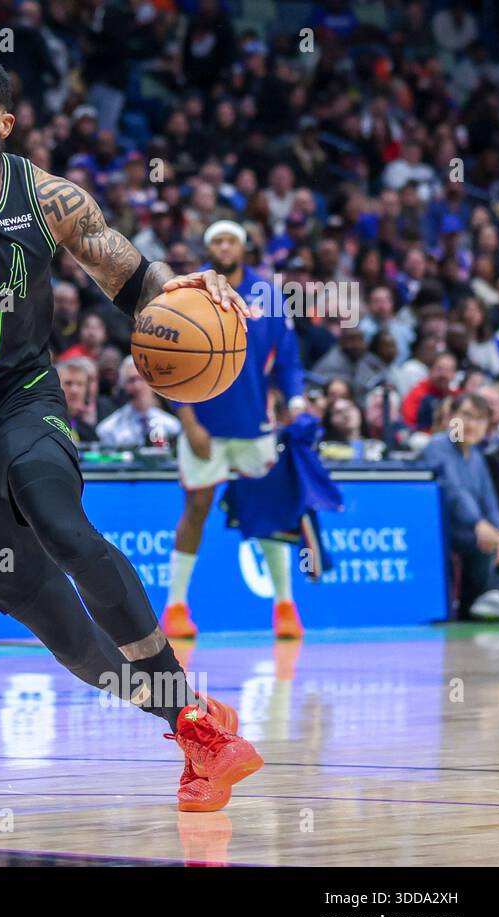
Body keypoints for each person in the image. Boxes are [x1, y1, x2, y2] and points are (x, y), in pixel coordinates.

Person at [0, 53, 260, 813]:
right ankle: (189, 719)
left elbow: (133, 281)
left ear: (5, 123)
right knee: (67, 637)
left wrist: (189, 287)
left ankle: (201, 733)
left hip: (19, 398)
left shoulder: (51, 199)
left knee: (63, 524)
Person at [164, 220, 308, 641]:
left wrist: (296, 405)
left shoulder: (268, 294)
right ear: (208, 248)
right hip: (205, 425)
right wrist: (187, 420)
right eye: (216, 241)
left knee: (270, 515)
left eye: (231, 240)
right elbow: (167, 362)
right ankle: (175, 607)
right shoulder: (191, 292)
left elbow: (289, 363)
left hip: (255, 426)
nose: (224, 247)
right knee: (195, 510)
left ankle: (284, 606)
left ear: (244, 247)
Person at [422, 392, 499, 619]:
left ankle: (491, 598)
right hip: (446, 530)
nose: (472, 424)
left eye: (480, 419)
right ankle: (485, 599)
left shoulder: (476, 455)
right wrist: (479, 523)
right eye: (466, 416)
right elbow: (454, 492)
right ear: (451, 417)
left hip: (472, 531)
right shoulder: (438, 446)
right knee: (484, 542)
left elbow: (489, 499)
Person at [95, 356, 182, 449]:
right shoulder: (109, 430)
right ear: (123, 386)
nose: (138, 386)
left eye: (143, 379)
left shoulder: (172, 426)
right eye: (131, 380)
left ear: (154, 385)